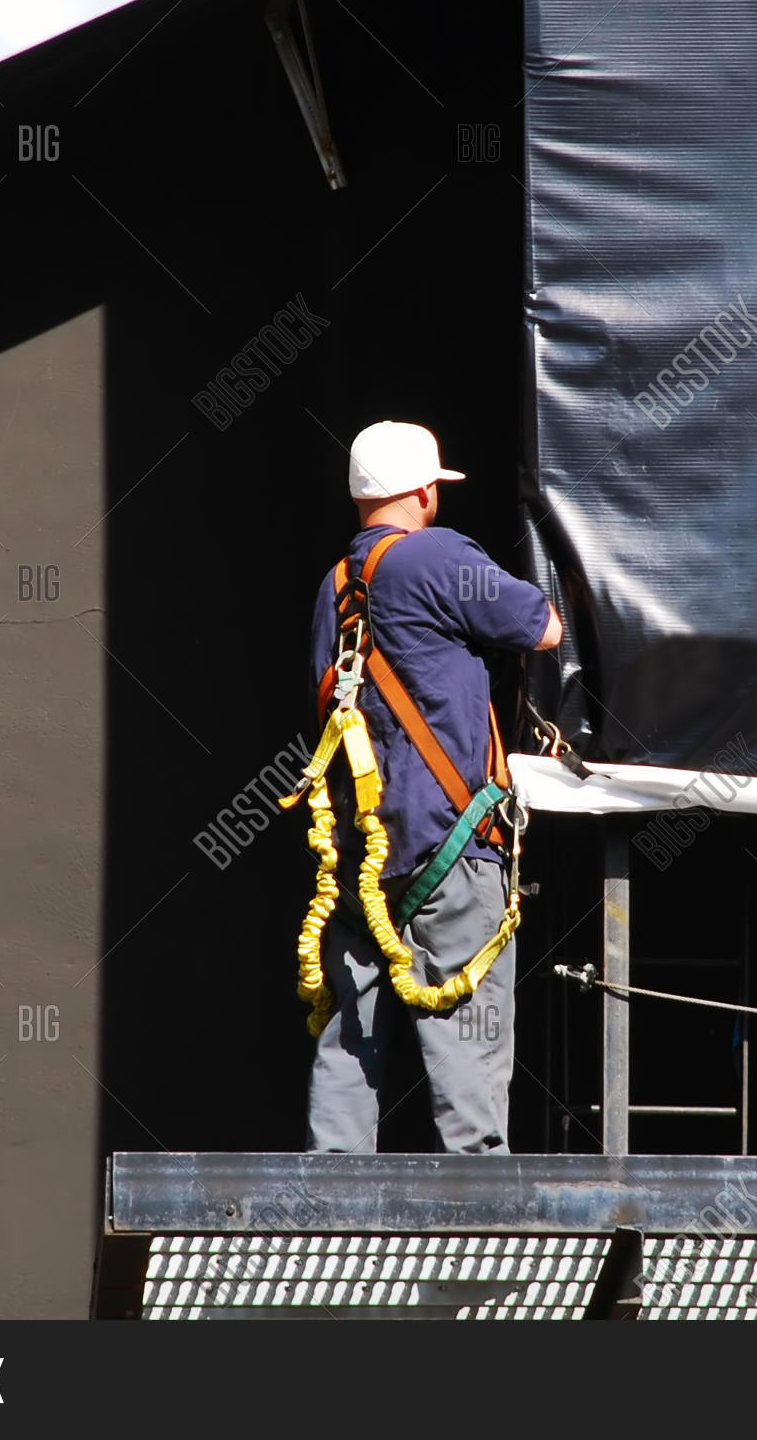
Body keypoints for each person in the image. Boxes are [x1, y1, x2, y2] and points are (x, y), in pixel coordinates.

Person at [304, 420, 562, 1154]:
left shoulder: (333, 589)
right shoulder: (438, 555)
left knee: (345, 1064)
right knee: (470, 1088)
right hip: (452, 856)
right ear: (425, 491)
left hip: (360, 869)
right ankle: (485, 1260)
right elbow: (542, 628)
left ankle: (328, 1242)